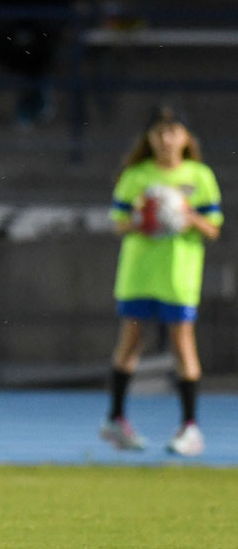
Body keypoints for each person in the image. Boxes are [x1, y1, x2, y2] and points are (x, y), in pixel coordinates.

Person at [101, 105, 222, 457]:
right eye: (158, 133)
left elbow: (213, 227)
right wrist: (142, 219)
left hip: (178, 275)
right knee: (130, 344)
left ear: (186, 138)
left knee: (183, 346)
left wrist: (184, 215)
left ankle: (190, 428)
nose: (166, 139)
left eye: (172, 132)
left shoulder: (199, 176)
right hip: (139, 273)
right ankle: (116, 419)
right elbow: (118, 222)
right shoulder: (136, 175)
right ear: (149, 139)